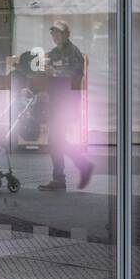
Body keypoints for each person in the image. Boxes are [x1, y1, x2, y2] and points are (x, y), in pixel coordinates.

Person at [38, 20, 94, 191]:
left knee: (56, 139)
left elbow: (77, 74)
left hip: (67, 102)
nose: (55, 36)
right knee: (56, 139)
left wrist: (55, 72)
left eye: (58, 33)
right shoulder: (53, 53)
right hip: (55, 101)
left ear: (66, 34)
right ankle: (69, 172)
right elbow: (48, 74)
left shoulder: (73, 52)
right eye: (53, 33)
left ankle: (64, 175)